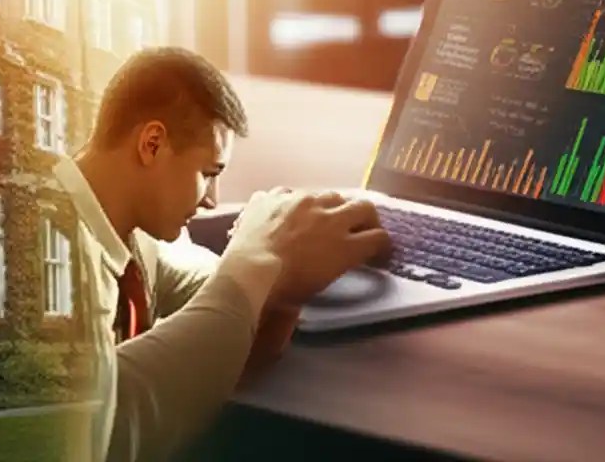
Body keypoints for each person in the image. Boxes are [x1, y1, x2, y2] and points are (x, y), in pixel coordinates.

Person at [53, 47, 391, 461]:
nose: (213, 200)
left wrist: (278, 276)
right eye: (208, 174)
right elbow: (103, 423)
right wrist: (253, 263)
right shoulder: (46, 250)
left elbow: (225, 314)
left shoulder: (140, 242)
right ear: (152, 144)